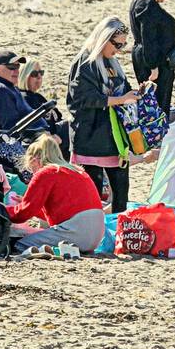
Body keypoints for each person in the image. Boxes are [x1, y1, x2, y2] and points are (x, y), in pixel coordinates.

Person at [66, 18, 149, 213]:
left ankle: (118, 234)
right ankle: (94, 236)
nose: (119, 50)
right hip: (91, 137)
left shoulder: (112, 64)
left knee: (122, 195)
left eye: (123, 45)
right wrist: (121, 99)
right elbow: (84, 98)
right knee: (92, 197)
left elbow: (124, 91)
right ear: (104, 38)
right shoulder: (85, 62)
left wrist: (138, 94)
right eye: (117, 44)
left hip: (115, 140)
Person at [6, 135, 105, 254]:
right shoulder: (78, 171)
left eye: (31, 167)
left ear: (34, 160)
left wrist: (3, 210)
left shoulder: (46, 172)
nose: (32, 172)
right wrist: (26, 204)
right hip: (95, 235)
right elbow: (62, 212)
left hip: (76, 231)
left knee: (20, 244)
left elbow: (23, 214)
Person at [128, 0, 175, 117]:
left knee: (151, 101)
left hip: (147, 56)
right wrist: (153, 66)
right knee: (157, 104)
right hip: (153, 61)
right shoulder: (148, 5)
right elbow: (148, 38)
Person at [0, 50, 53, 137]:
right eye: (11, 67)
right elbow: (11, 130)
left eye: (17, 66)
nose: (17, 71)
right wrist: (44, 136)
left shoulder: (9, 88)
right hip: (28, 143)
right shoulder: (1, 92)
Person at [18, 59, 70, 147]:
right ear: (24, 76)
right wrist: (50, 136)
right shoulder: (24, 98)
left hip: (54, 136)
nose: (39, 77)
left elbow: (58, 117)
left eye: (41, 73)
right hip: (42, 141)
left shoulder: (37, 96)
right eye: (34, 74)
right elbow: (29, 129)